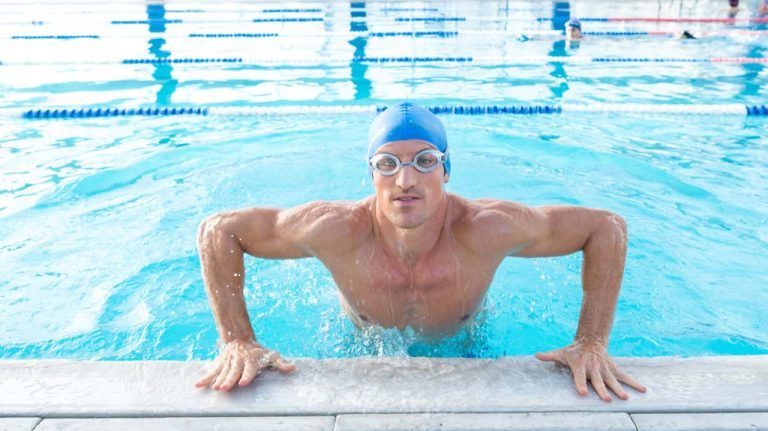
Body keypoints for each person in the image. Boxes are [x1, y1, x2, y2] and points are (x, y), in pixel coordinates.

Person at [194, 101, 647, 403]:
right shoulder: (335, 230)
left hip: (470, 352)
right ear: (371, 174)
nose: (405, 181)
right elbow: (219, 231)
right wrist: (237, 341)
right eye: (388, 165)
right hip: (359, 351)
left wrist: (591, 342)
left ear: (447, 170)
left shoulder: (486, 229)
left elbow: (606, 227)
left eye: (425, 161)